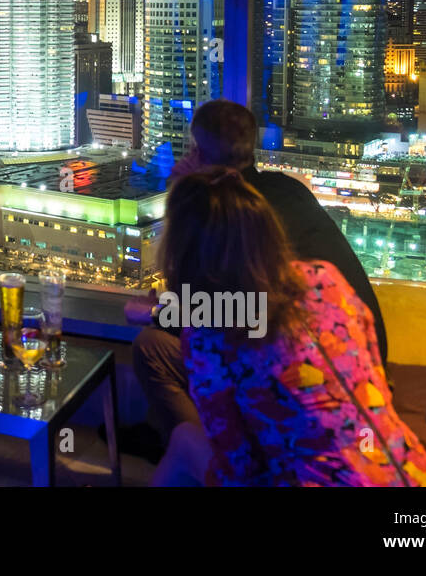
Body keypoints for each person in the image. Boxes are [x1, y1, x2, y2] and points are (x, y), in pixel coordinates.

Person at [149, 167, 426, 486]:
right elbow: (371, 367)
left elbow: (237, 461)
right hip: (410, 471)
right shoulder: (323, 279)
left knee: (183, 440)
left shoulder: (208, 339)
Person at [128, 98, 388, 449]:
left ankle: (195, 448)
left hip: (304, 374)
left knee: (152, 346)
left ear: (197, 152)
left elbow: (243, 310)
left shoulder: (230, 212)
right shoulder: (287, 188)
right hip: (364, 363)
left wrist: (158, 311)